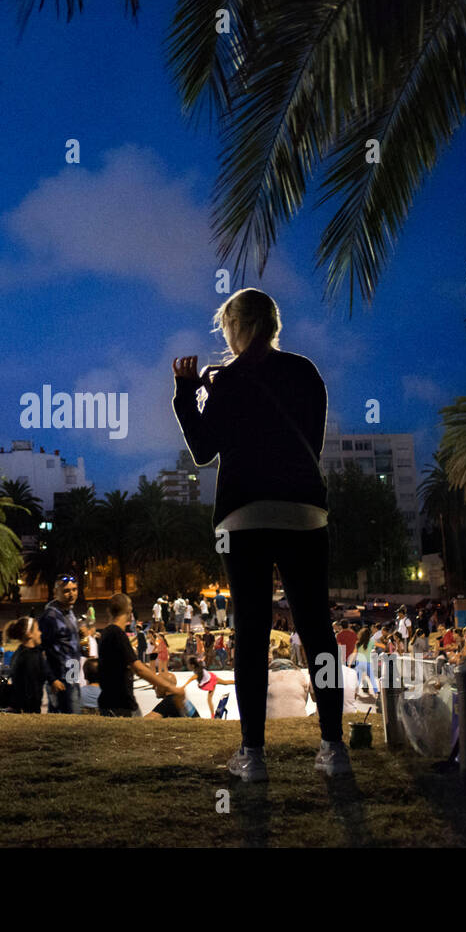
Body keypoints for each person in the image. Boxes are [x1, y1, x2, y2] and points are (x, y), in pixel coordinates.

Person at [172, 287, 349, 781]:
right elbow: (308, 444)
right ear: (272, 325)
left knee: (250, 632)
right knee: (316, 628)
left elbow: (204, 451)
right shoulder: (306, 373)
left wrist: (187, 394)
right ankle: (333, 747)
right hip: (303, 510)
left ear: (237, 326)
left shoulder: (226, 380)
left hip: (243, 515)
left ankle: (253, 755)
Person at [96, 593, 184, 716]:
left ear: (108, 611)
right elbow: (138, 668)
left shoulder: (106, 633)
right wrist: (170, 687)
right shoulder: (117, 634)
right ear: (129, 610)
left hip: (110, 701)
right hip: (119, 704)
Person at [38, 576, 82, 713]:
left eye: (74, 589)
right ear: (55, 592)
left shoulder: (69, 611)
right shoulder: (50, 617)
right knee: (70, 719)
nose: (72, 594)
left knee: (66, 716)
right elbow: (41, 650)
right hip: (61, 676)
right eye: (66, 591)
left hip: (72, 672)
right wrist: (52, 679)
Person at [6, 616, 46, 713]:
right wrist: (33, 708)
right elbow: (31, 686)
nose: (40, 633)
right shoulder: (29, 657)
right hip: (28, 708)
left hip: (20, 705)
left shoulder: (20, 652)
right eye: (37, 630)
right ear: (29, 634)